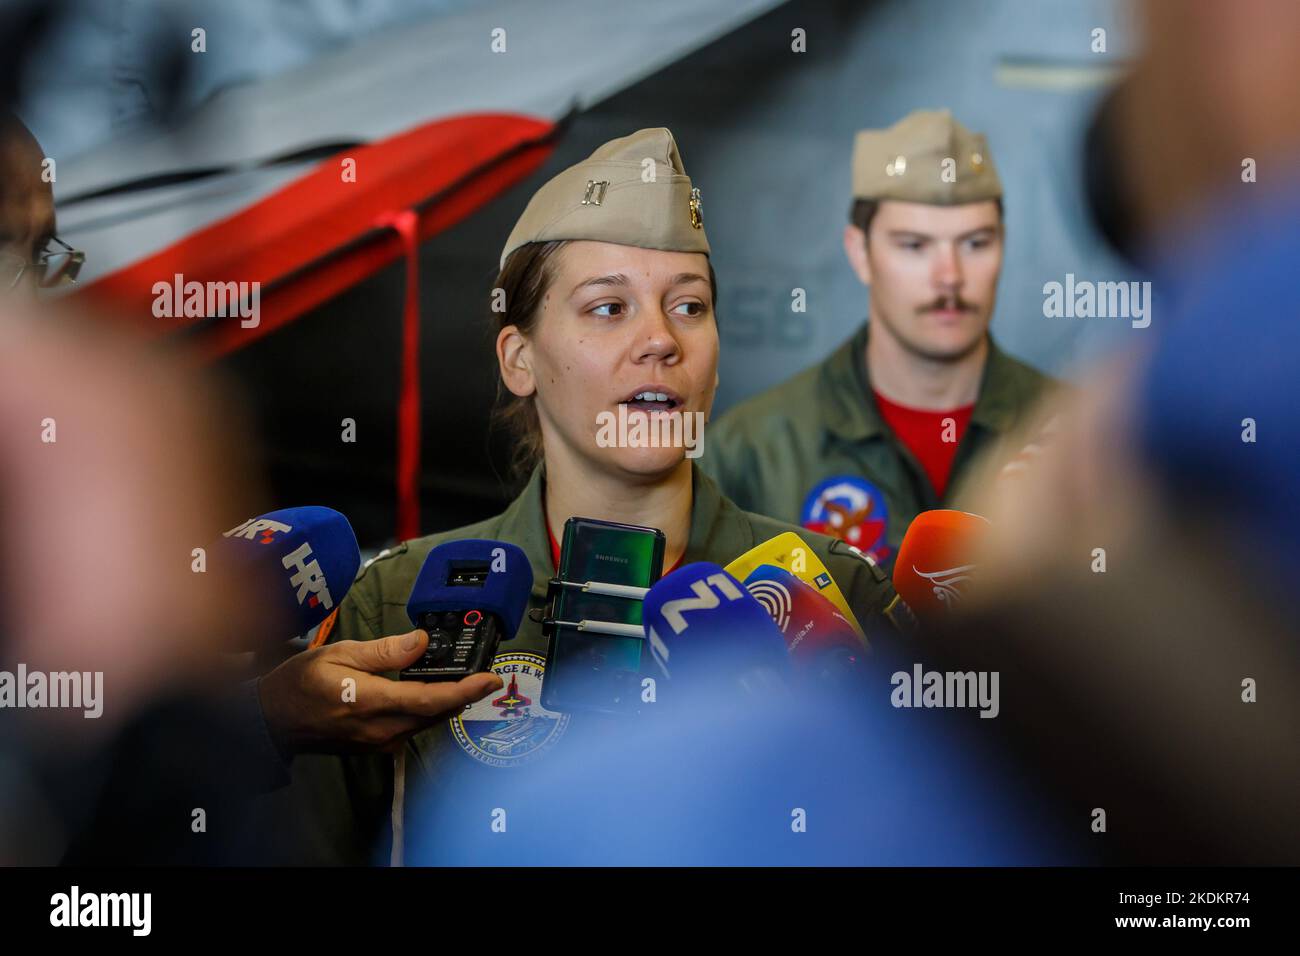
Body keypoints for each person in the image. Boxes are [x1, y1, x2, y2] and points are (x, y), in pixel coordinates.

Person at [269, 127, 907, 865]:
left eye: (690, 307)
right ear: (519, 359)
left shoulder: (831, 593)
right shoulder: (395, 603)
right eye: (609, 307)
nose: (662, 340)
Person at [702, 110, 1055, 565]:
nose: (950, 276)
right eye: (914, 245)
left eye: (975, 243)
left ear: (1003, 245)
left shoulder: (1081, 437)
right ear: (860, 252)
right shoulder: (750, 452)